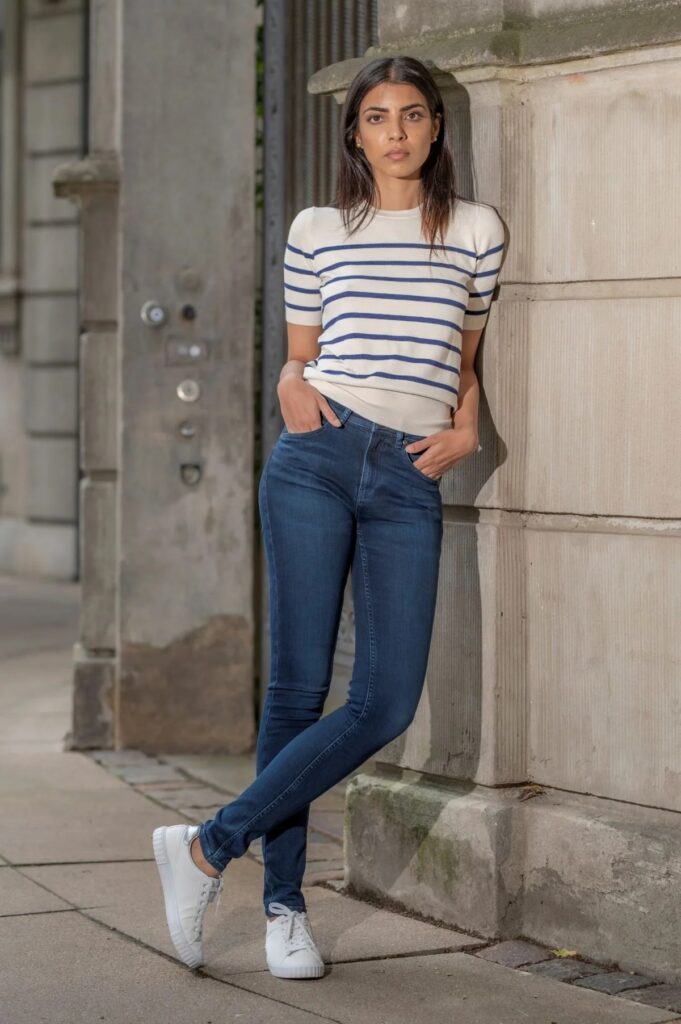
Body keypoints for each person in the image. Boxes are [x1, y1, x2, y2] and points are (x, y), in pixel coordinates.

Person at [152, 54, 506, 981]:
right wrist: (285, 382)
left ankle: (207, 846)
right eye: (377, 116)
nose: (396, 130)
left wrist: (467, 422)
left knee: (384, 699)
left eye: (414, 114)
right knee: (296, 688)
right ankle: (282, 908)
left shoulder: (474, 229)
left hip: (406, 475)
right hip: (317, 456)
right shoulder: (317, 227)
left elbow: (461, 354)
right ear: (354, 133)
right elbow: (300, 353)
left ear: (436, 129)